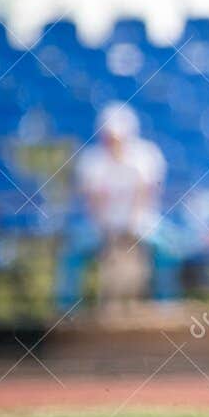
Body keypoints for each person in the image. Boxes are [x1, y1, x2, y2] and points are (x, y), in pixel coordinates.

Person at [69, 103, 167, 306]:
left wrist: (131, 227)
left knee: (167, 252)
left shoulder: (146, 155)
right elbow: (93, 201)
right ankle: (67, 308)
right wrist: (108, 230)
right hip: (102, 227)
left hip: (141, 224)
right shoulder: (92, 160)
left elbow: (144, 196)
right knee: (71, 255)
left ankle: (165, 304)